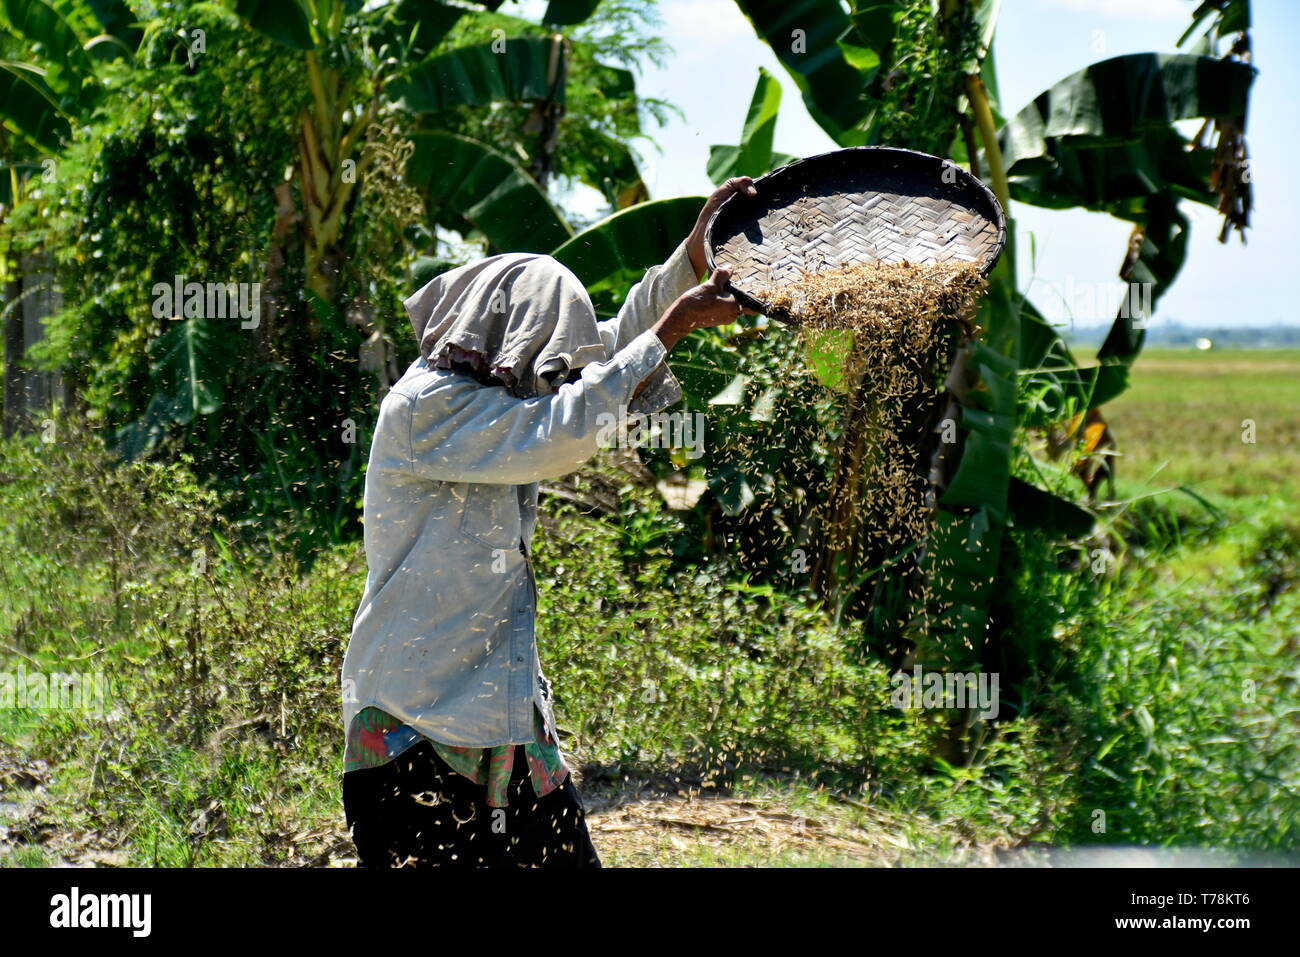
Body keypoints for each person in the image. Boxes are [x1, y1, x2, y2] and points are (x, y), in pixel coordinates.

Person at [340, 177, 760, 868]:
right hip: (414, 738)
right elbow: (563, 428)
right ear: (510, 343)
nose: (557, 374)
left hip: (505, 723)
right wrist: (674, 326)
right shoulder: (423, 408)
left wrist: (689, 258)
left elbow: (610, 352)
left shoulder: (502, 386)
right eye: (549, 361)